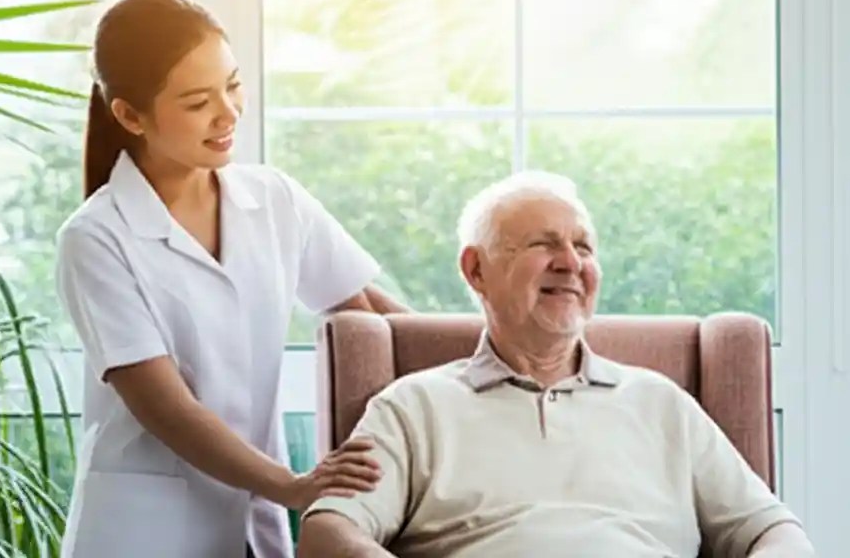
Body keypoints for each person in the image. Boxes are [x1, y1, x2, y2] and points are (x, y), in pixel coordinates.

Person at [55, 0, 410, 558]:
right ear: (129, 115)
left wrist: (476, 374)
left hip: (252, 525)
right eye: (198, 102)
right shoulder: (96, 238)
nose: (229, 112)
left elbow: (367, 312)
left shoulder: (273, 200)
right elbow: (165, 407)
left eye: (233, 84)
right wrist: (290, 486)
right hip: (144, 533)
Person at [296, 171, 815, 558]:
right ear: (477, 270)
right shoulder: (414, 406)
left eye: (583, 247)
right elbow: (328, 533)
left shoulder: (661, 404)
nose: (570, 262)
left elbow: (774, 530)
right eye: (544, 245)